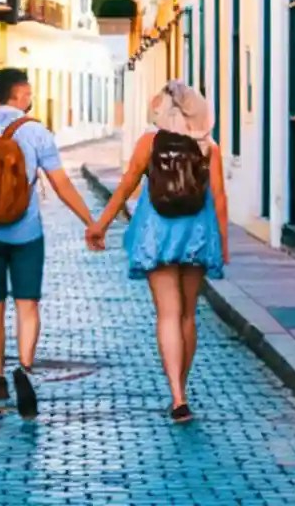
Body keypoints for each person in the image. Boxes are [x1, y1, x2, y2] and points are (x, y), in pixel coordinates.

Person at [86, 80, 229, 423]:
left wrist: (99, 225)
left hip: (157, 234)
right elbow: (220, 199)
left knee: (167, 314)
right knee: (187, 316)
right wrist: (222, 244)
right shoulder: (209, 148)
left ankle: (176, 396)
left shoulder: (149, 143)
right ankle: (184, 386)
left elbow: (125, 187)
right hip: (196, 235)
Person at [0, 67, 96, 418]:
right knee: (27, 305)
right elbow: (62, 184)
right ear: (20, 94)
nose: (31, 98)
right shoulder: (36, 131)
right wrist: (90, 221)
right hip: (27, 232)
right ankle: (23, 367)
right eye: (29, 93)